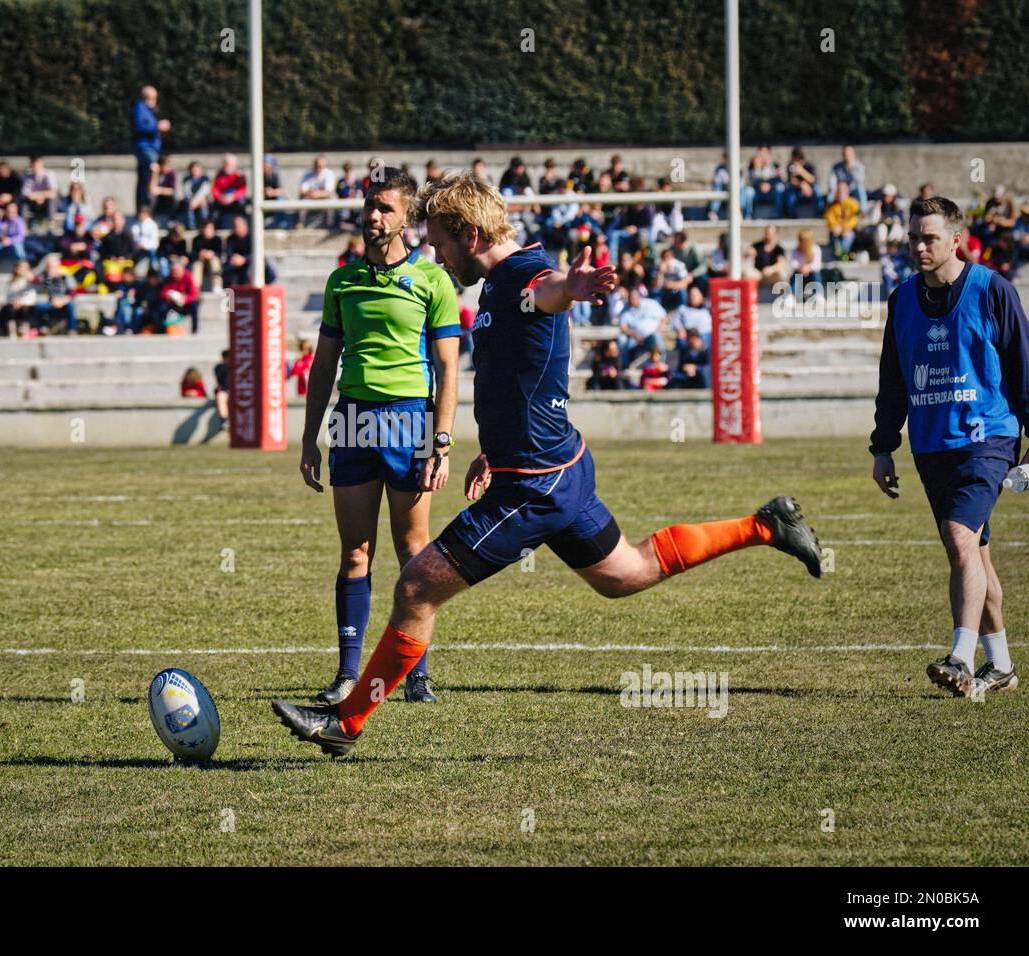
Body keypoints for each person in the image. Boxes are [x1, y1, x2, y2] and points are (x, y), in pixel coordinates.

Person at [272, 173, 824, 755]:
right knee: (626, 574)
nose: (433, 253)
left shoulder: (521, 274)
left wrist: (574, 285)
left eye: (438, 241)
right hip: (557, 464)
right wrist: (493, 446)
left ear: (470, 231)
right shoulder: (497, 280)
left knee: (414, 587)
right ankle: (767, 525)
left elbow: (547, 291)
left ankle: (346, 722)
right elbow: (522, 366)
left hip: (534, 484)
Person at [297, 167, 462, 707]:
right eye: (369, 205)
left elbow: (448, 369)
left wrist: (441, 442)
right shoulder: (342, 281)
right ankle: (348, 674)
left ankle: (416, 674)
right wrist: (309, 438)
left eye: (386, 207)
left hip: (410, 422)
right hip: (350, 422)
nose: (374, 215)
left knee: (415, 551)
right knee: (354, 553)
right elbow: (323, 365)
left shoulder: (433, 281)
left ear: (407, 216)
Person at [870, 195, 1029, 698]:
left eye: (929, 237)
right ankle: (1000, 665)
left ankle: (960, 656)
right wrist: (882, 446)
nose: (917, 246)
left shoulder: (991, 290)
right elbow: (892, 380)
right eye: (913, 237)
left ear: (956, 240)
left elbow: (1024, 367)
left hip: (988, 439)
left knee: (961, 537)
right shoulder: (901, 300)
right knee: (973, 556)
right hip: (931, 444)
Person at [131, 86, 171, 215]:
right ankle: (145, 208)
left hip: (149, 148)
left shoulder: (147, 110)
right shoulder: (140, 108)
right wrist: (157, 126)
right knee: (150, 174)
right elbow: (139, 127)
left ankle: (144, 208)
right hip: (145, 148)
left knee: (144, 178)